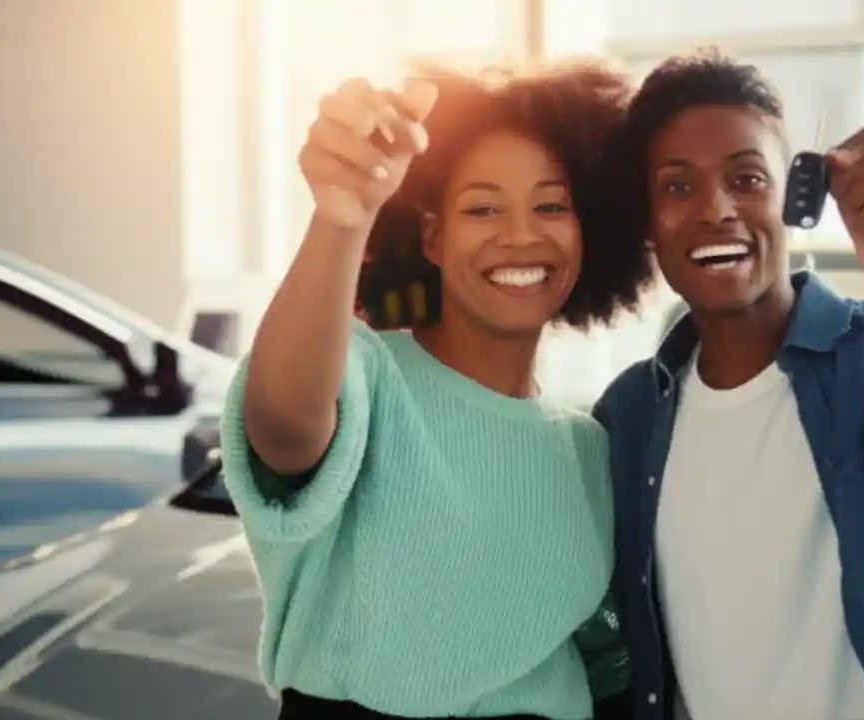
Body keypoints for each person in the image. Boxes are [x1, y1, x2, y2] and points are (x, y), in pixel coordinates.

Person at [594, 52, 864, 720]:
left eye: (747, 178)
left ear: (796, 195)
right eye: (678, 188)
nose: (716, 209)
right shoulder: (629, 415)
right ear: (649, 225)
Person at [219, 63, 651, 720]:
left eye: (551, 205)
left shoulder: (588, 449)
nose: (520, 234)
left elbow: (605, 662)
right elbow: (283, 427)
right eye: (482, 207)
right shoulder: (366, 375)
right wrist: (343, 218)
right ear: (432, 236)